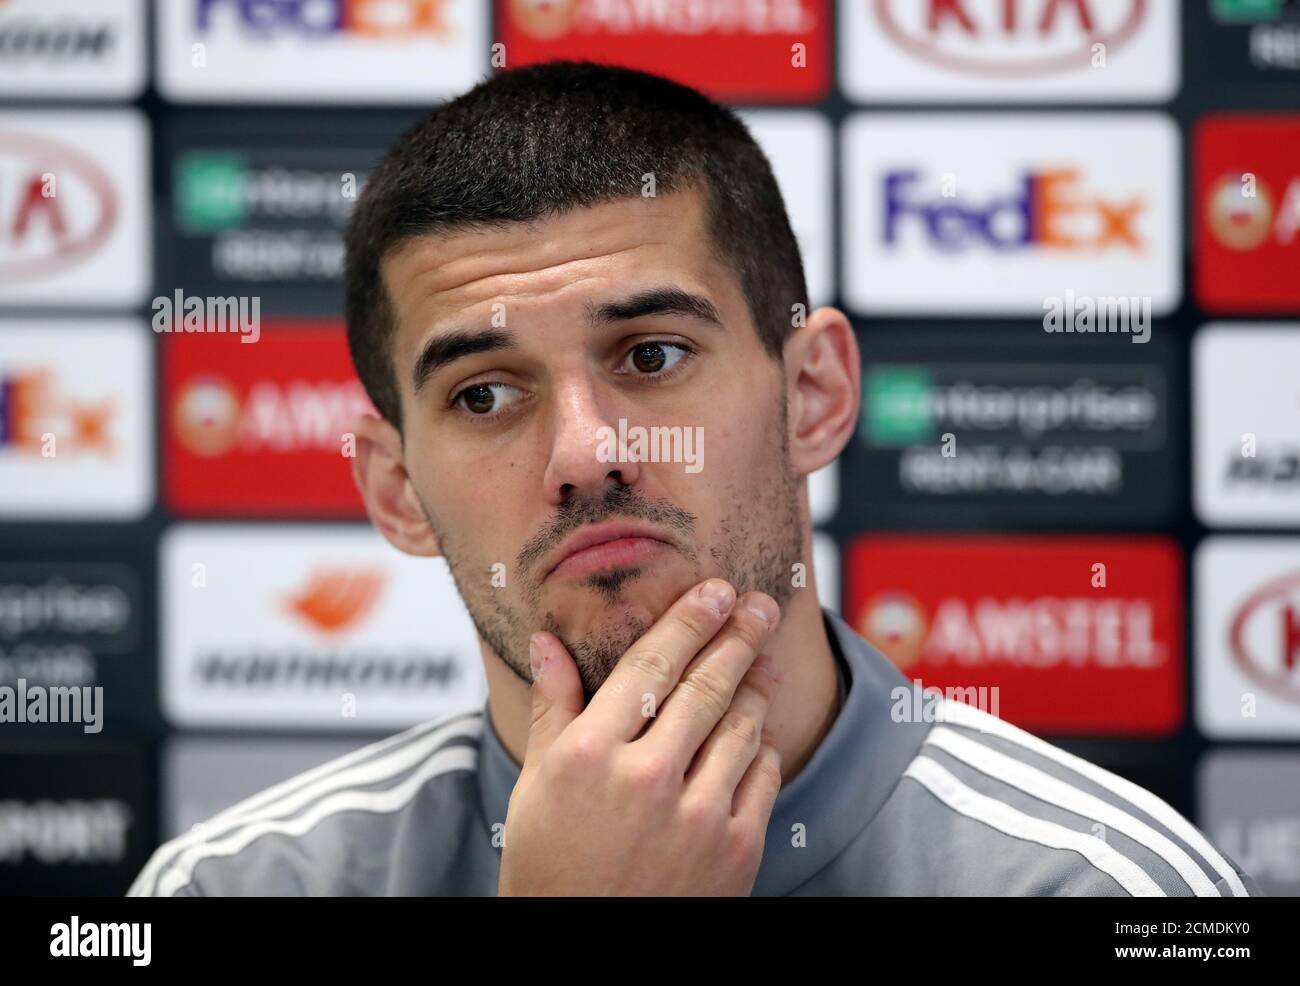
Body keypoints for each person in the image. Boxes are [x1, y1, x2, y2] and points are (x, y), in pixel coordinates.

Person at [129, 61, 1258, 897]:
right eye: (483, 392)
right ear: (395, 491)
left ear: (811, 392)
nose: (586, 454)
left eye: (652, 355)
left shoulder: (1105, 885)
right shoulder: (239, 885)